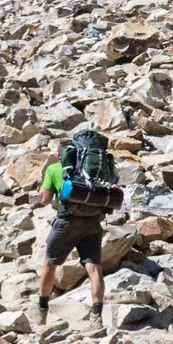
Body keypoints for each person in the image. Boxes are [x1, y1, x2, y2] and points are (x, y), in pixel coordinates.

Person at [37, 127, 124, 333]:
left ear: (61, 155)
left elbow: (44, 199)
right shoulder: (94, 169)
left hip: (66, 222)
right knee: (94, 268)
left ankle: (41, 312)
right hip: (93, 221)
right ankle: (96, 318)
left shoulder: (55, 169)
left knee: (50, 264)